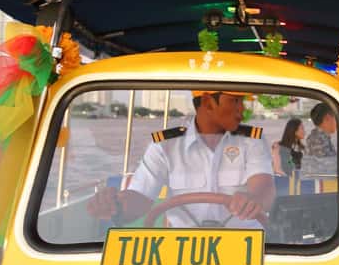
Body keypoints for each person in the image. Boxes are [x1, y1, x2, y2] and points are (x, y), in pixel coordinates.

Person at [87, 91, 275, 228]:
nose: (242, 109)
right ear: (208, 103)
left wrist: (253, 199)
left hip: (246, 248)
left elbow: (264, 187)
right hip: (181, 253)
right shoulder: (165, 145)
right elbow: (141, 197)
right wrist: (116, 206)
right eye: (235, 101)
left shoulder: (252, 141)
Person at [304, 102, 338, 176]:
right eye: (336, 118)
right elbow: (327, 167)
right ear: (327, 118)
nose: (338, 122)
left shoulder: (321, 137)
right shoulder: (318, 139)